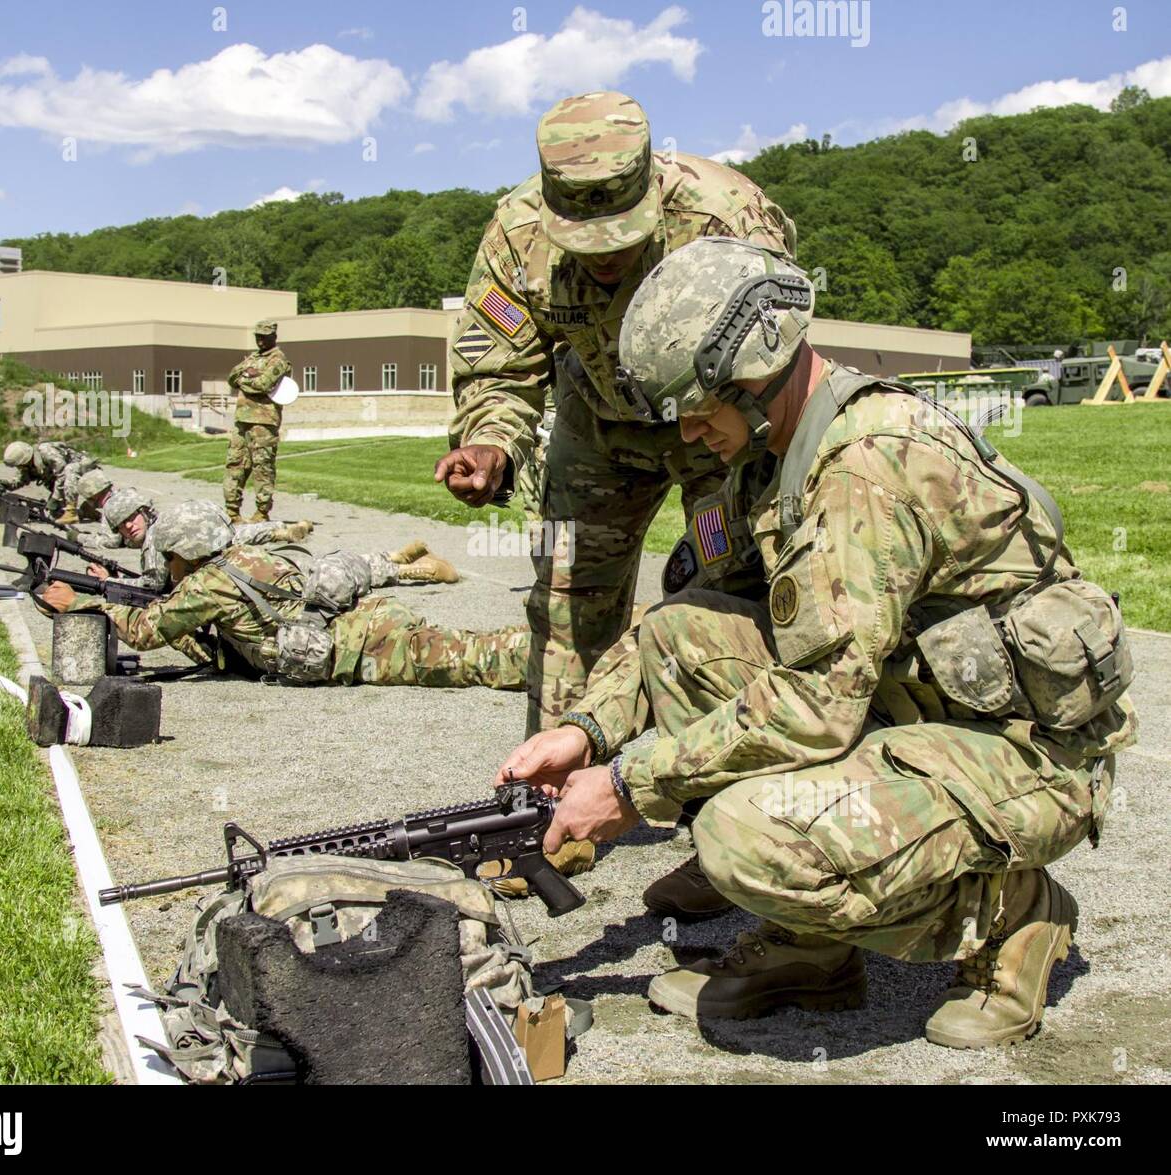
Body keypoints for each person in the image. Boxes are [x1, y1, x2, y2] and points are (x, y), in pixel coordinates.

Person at [494, 237, 1136, 1048]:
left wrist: (628, 784)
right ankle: (817, 950)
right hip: (915, 706)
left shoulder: (862, 468)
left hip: (1024, 754)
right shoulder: (774, 453)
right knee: (682, 636)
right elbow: (690, 619)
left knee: (744, 836)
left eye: (699, 408)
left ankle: (1011, 916)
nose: (691, 435)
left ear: (755, 375)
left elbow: (818, 710)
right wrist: (585, 730)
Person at [434, 91, 796, 737]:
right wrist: (491, 441)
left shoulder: (726, 218)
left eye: (621, 237)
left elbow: (779, 362)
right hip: (596, 427)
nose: (604, 257)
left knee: (732, 588)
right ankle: (555, 801)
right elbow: (498, 364)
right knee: (568, 603)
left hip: (714, 433)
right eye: (583, 242)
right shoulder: (517, 237)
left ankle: (721, 790)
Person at [40, 502, 527, 691]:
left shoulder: (207, 584)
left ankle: (557, 659)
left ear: (185, 552)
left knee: (471, 659)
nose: (167, 565)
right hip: (364, 618)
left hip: (358, 647)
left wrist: (86, 603)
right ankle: (551, 645)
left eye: (170, 555)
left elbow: (147, 632)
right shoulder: (243, 557)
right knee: (465, 644)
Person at [87, 488, 442, 593]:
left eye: (131, 518)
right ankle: (392, 558)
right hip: (238, 553)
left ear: (145, 512)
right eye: (121, 526)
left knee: (314, 579)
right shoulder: (169, 524)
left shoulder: (155, 542)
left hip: (239, 570)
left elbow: (152, 586)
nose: (129, 527)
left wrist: (108, 583)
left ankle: (407, 570)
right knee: (312, 569)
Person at [223, 319, 291, 522]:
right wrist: (248, 374)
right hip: (242, 419)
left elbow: (263, 385)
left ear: (273, 337)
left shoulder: (279, 360)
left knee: (262, 466)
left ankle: (262, 512)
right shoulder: (252, 357)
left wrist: (246, 378)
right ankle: (232, 511)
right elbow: (231, 377)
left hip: (264, 422)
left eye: (264, 337)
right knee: (235, 463)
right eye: (257, 337)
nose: (260, 341)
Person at [2, 440, 100, 524]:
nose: (18, 468)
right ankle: (85, 512)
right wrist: (8, 485)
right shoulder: (29, 464)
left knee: (69, 470)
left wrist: (55, 498)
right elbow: (22, 478)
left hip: (86, 474)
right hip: (68, 481)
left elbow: (63, 473)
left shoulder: (46, 451)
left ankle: (72, 512)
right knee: (54, 514)